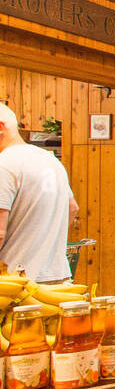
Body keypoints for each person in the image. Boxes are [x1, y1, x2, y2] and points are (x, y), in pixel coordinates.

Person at [0, 103, 79, 282]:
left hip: (15, 282)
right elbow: (72, 207)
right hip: (58, 278)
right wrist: (42, 241)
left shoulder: (3, 165)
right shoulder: (48, 160)